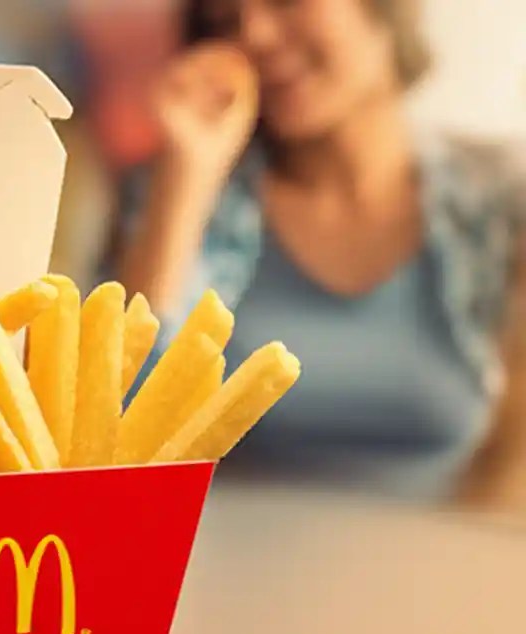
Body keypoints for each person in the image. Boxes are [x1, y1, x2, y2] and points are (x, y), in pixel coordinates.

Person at [111, 0, 526, 503]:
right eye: (225, 21)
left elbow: (513, 462)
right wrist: (187, 174)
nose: (254, 35)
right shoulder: (175, 193)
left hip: (444, 564)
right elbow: (118, 435)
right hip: (220, 568)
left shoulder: (503, 203)